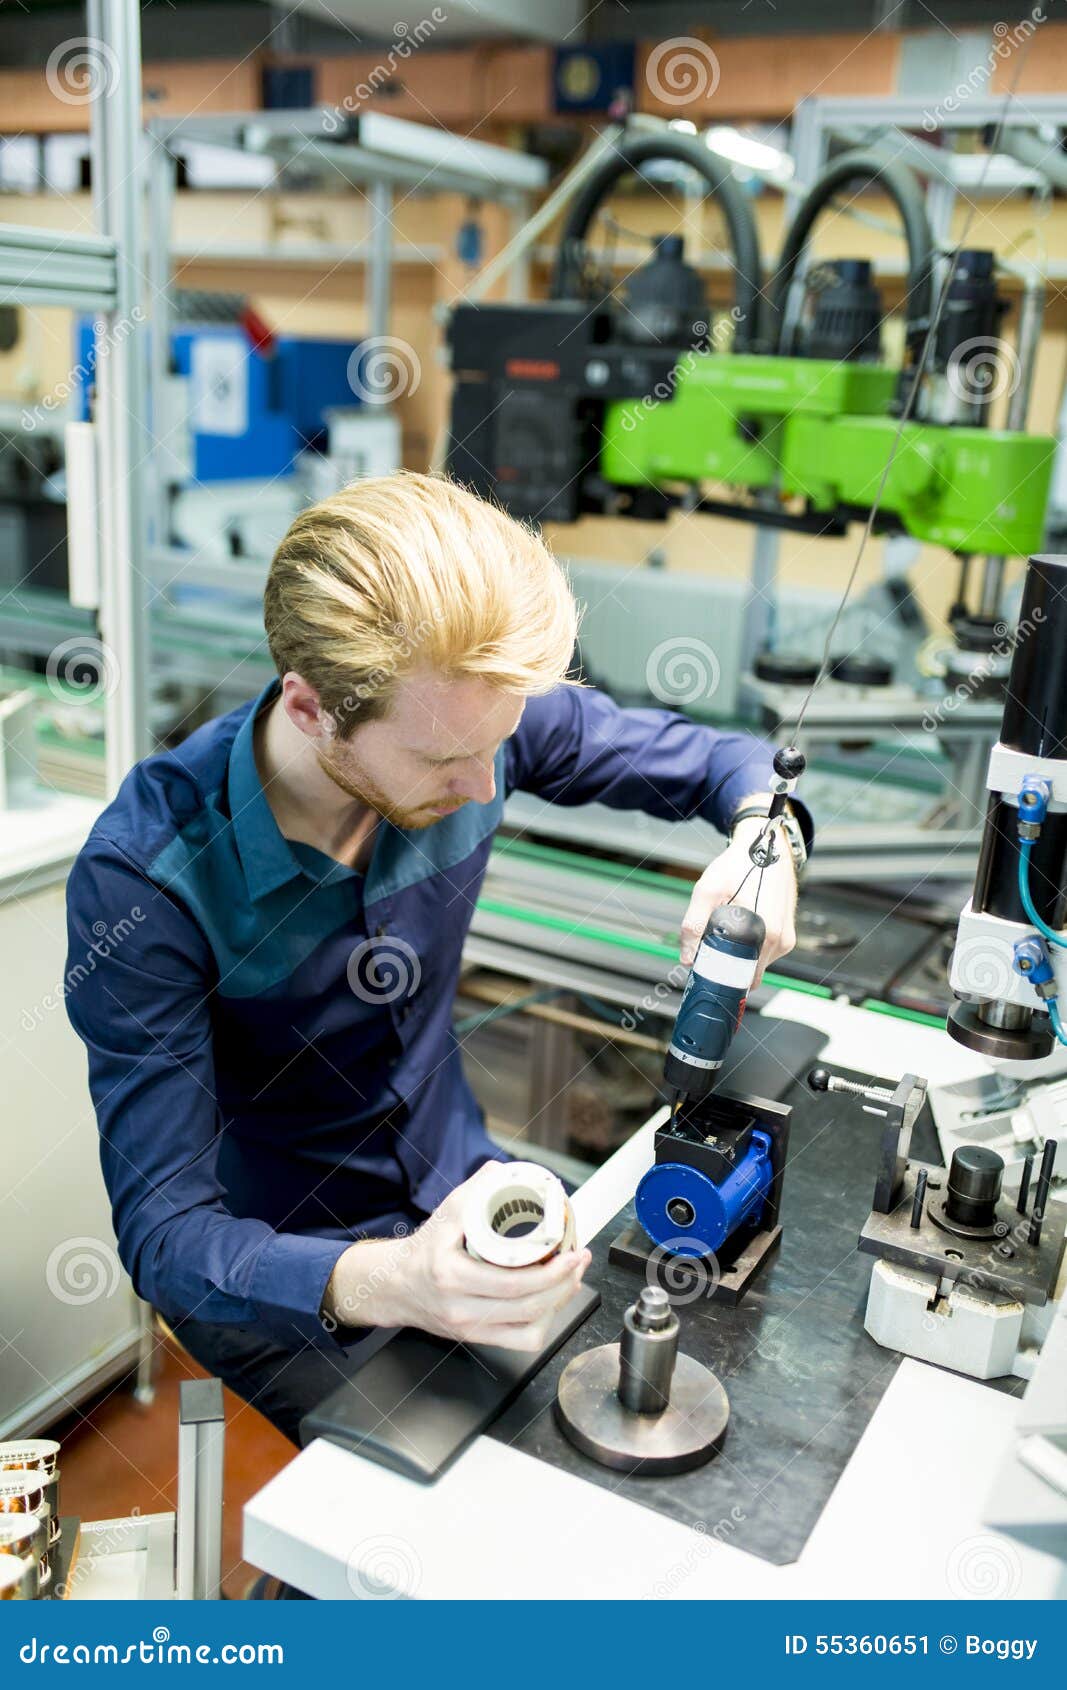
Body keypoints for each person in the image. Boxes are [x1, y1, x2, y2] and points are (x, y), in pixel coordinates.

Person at [65, 472, 807, 1443]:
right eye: (439, 762)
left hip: (461, 1181)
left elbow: (724, 764)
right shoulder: (144, 882)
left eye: (498, 744)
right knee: (397, 1534)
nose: (481, 781)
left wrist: (766, 846)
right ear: (308, 706)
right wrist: (402, 1281)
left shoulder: (469, 717)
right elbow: (168, 1241)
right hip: (283, 1269)